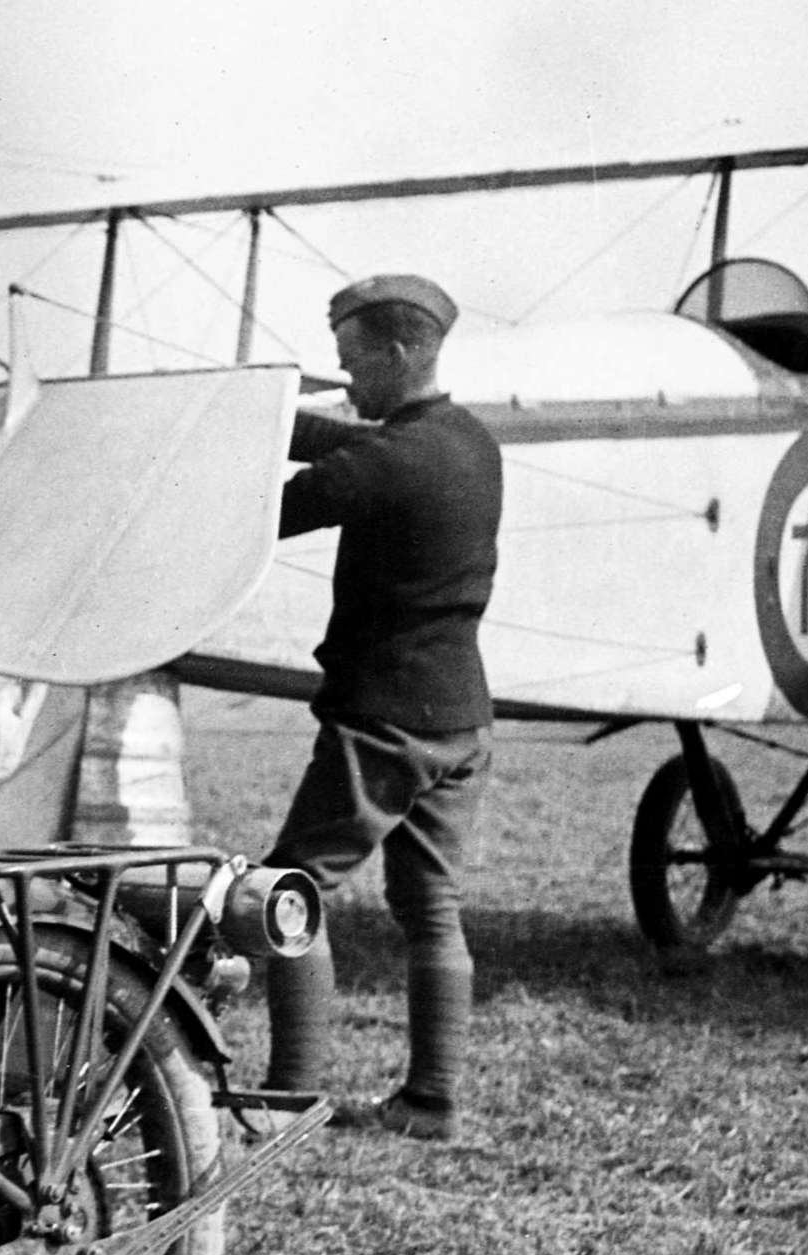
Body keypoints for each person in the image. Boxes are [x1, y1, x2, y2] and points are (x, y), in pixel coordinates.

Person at [258, 273, 503, 1142]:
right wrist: (257, 415)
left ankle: (286, 1099)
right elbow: (353, 438)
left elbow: (269, 511)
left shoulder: (391, 461)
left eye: (354, 359)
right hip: (461, 716)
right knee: (430, 904)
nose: (347, 377)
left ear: (399, 352)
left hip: (387, 721)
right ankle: (431, 1102)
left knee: (288, 888)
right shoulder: (469, 441)